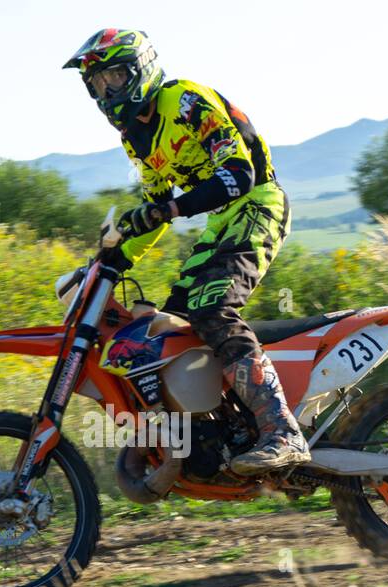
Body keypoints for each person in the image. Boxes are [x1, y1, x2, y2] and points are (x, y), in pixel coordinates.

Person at [63, 28, 310, 475]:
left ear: (140, 70)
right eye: (97, 84)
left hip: (259, 206)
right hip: (221, 222)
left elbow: (239, 176)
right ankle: (220, 437)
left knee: (212, 308)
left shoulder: (186, 102)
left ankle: (282, 431)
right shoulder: (135, 138)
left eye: (114, 77)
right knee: (168, 329)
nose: (106, 91)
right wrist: (108, 264)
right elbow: (156, 211)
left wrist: (170, 207)